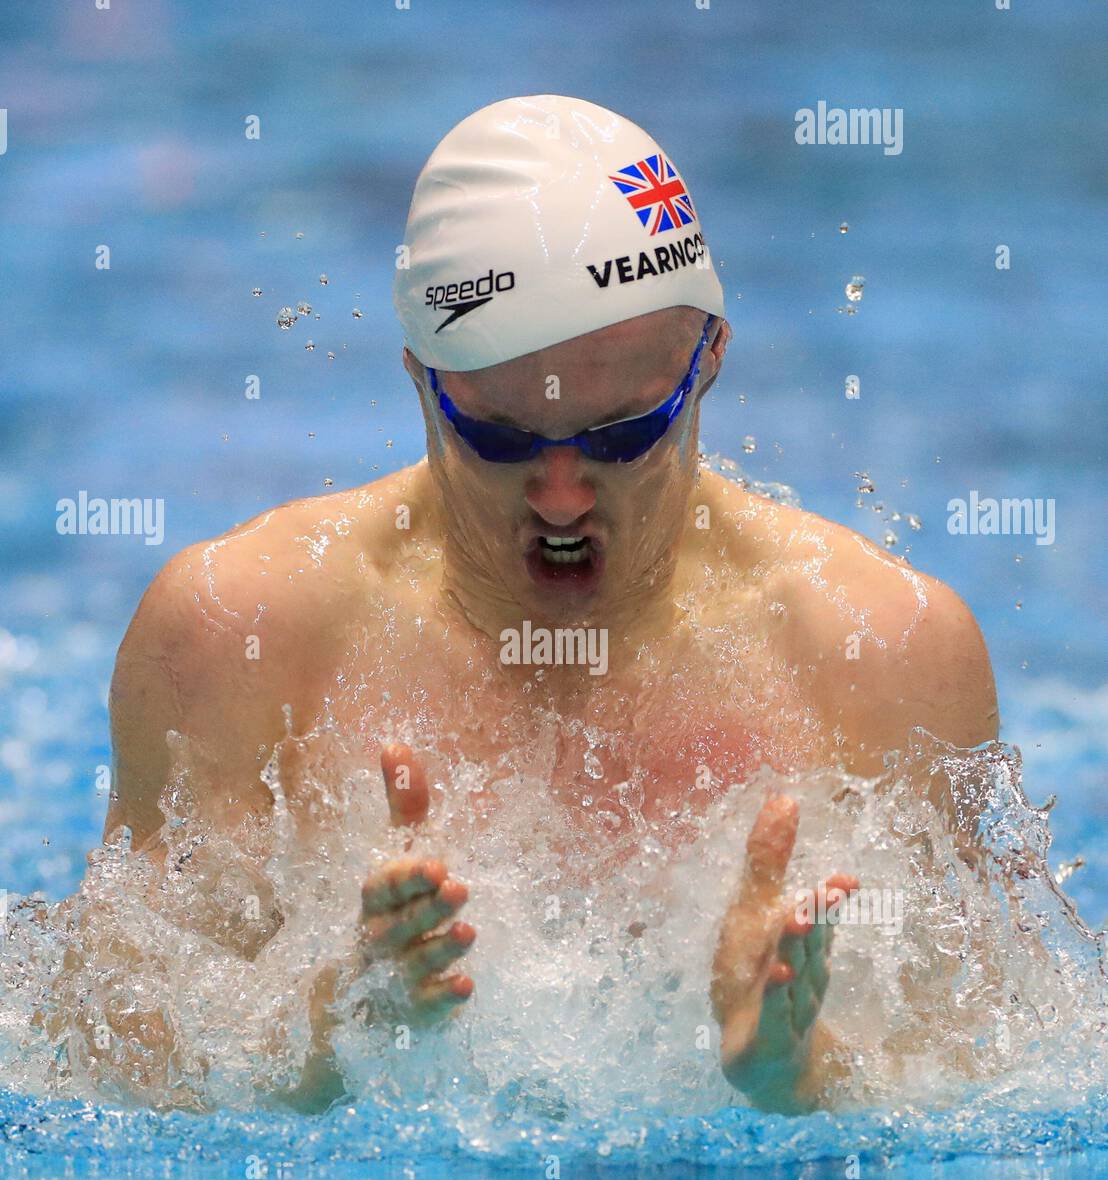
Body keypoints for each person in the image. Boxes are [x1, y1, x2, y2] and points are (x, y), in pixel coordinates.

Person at [94, 95, 997, 1112]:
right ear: (421, 378)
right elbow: (111, 1073)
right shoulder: (240, 634)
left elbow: (988, 1086)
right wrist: (332, 1034)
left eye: (620, 434)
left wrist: (802, 1076)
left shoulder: (886, 651)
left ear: (708, 360)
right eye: (500, 437)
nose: (561, 495)